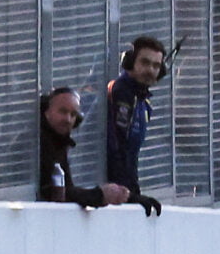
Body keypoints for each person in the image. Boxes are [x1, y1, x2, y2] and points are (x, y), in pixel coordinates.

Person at [37, 86, 161, 214]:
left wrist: (127, 197)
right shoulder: (38, 143)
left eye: (73, 114)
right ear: (46, 112)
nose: (68, 119)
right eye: (62, 112)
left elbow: (66, 191)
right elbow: (49, 191)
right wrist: (99, 195)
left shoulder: (59, 143)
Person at [103, 36, 165, 206]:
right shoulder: (122, 94)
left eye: (156, 66)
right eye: (145, 63)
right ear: (130, 62)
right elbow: (116, 147)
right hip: (109, 189)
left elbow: (131, 153)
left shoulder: (143, 102)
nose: (151, 70)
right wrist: (129, 195)